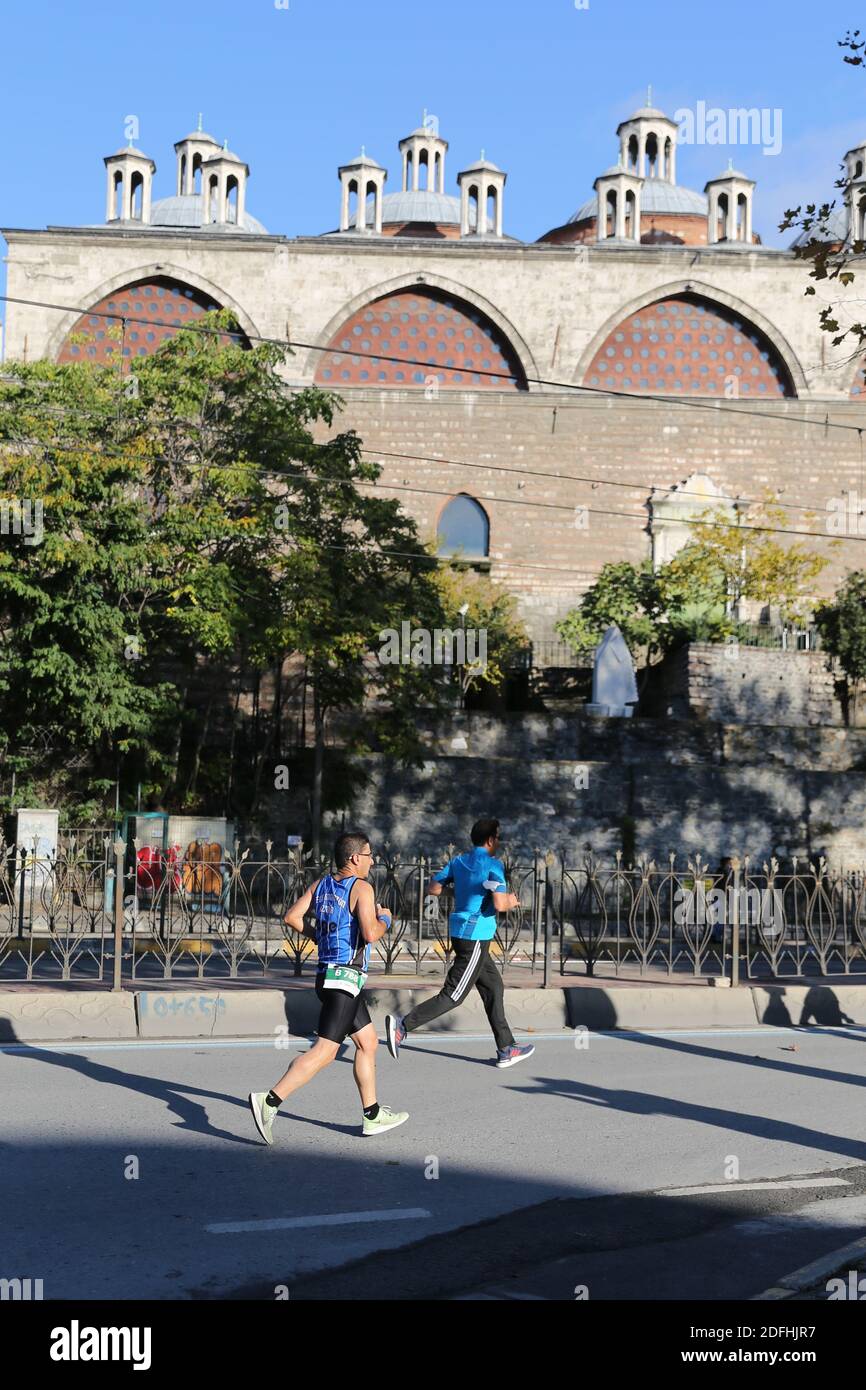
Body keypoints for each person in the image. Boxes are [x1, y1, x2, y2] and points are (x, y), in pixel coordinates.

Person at [249, 830, 408, 1143]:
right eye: (369, 855)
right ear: (355, 858)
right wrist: (386, 919)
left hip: (327, 977)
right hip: (345, 979)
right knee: (325, 1051)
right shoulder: (362, 888)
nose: (372, 861)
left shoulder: (321, 884)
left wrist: (319, 936)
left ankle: (372, 1114)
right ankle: (269, 1101)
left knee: (368, 1043)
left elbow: (292, 917)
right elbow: (371, 933)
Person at [384, 817, 535, 1069]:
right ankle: (403, 1026)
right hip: (475, 937)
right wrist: (513, 900)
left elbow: (433, 888)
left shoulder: (459, 861)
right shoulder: (493, 865)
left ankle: (507, 1048)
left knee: (494, 986)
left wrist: (458, 891)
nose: (498, 842)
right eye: (498, 837)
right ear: (490, 840)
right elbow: (499, 904)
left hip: (463, 933)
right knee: (454, 995)